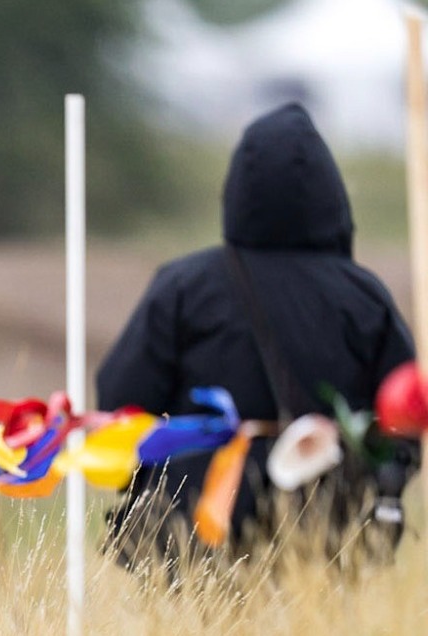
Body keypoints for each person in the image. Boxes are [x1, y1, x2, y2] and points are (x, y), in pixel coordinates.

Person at [97, 103, 416, 567]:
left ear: (237, 193)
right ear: (331, 197)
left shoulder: (183, 287)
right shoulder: (364, 298)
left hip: (189, 542)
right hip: (328, 542)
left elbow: (120, 401)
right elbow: (403, 420)